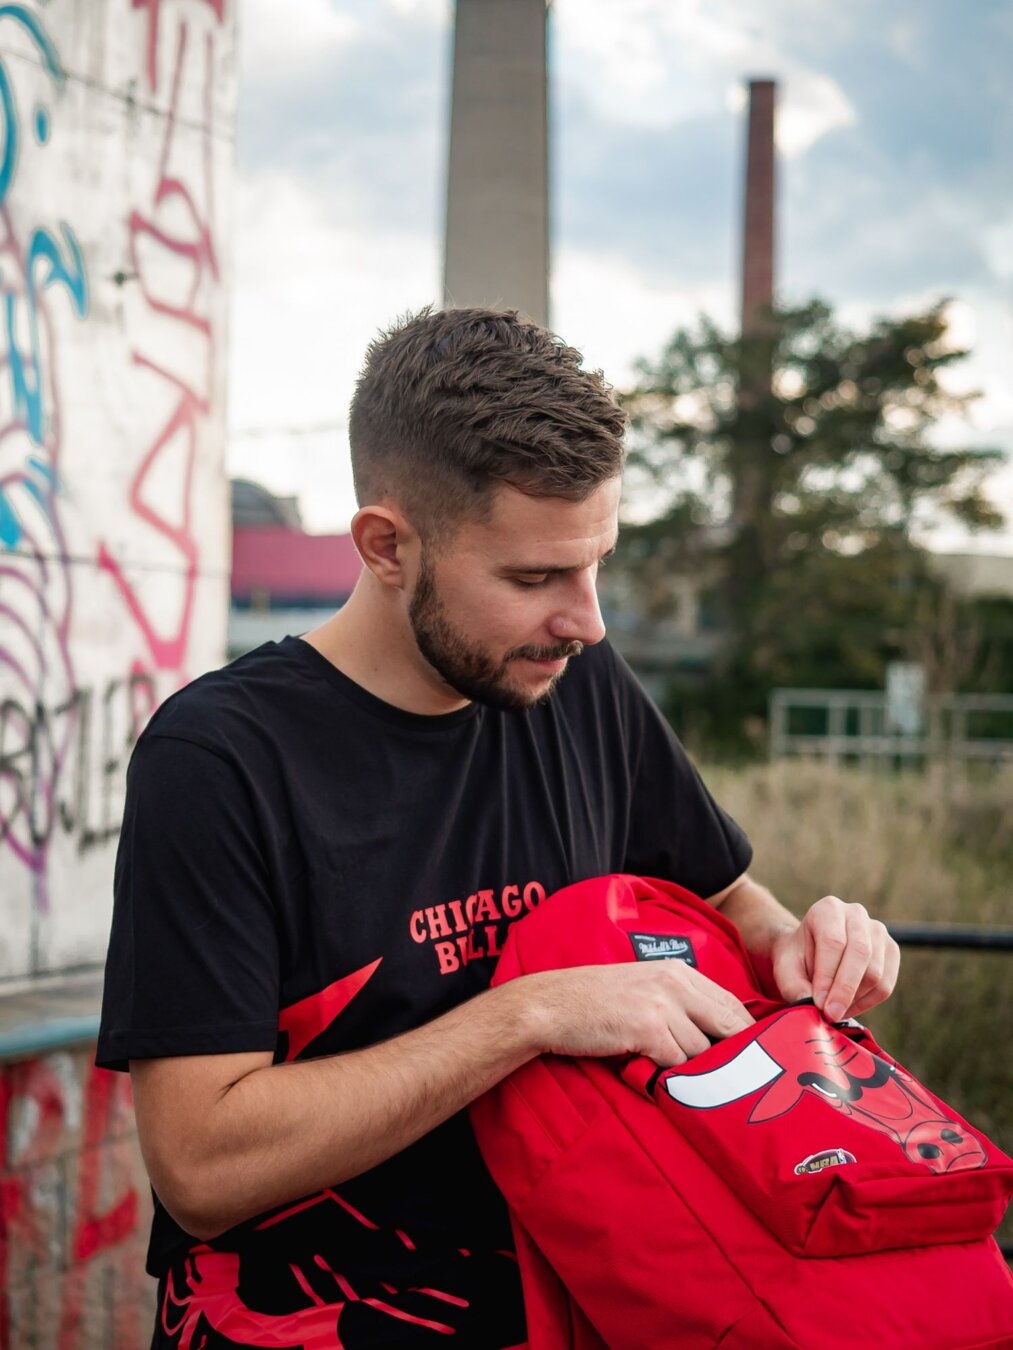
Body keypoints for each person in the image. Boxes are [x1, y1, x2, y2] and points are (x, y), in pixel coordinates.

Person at [97, 306, 900, 1349]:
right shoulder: (218, 759)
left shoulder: (579, 684)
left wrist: (806, 942)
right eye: (533, 580)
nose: (587, 619)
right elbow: (201, 1167)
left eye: (595, 561)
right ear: (387, 546)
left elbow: (730, 905)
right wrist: (523, 1016)